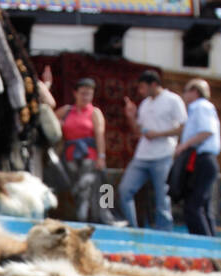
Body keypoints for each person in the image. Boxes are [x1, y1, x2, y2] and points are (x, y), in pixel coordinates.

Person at [118, 69, 186, 230]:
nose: (140, 91)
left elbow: (183, 127)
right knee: (125, 190)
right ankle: (132, 228)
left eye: (142, 87)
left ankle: (164, 235)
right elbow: (139, 131)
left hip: (163, 155)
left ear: (154, 84)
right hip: (142, 156)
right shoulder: (145, 104)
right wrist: (131, 116)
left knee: (162, 197)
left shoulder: (173, 100)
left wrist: (159, 134)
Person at [51, 72, 113, 224]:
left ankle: (82, 220)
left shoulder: (95, 113)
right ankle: (77, 217)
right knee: (73, 189)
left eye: (89, 94)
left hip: (89, 157)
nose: (86, 97)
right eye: (83, 93)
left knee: (84, 188)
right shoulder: (66, 111)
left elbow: (99, 134)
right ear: (75, 94)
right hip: (69, 157)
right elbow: (50, 120)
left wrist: (101, 157)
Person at [172, 78, 221, 236]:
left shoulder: (201, 107)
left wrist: (183, 146)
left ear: (194, 92)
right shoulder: (198, 109)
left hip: (203, 159)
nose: (184, 95)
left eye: (186, 91)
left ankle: (203, 246)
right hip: (203, 159)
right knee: (204, 208)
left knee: (193, 207)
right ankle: (211, 246)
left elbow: (207, 131)